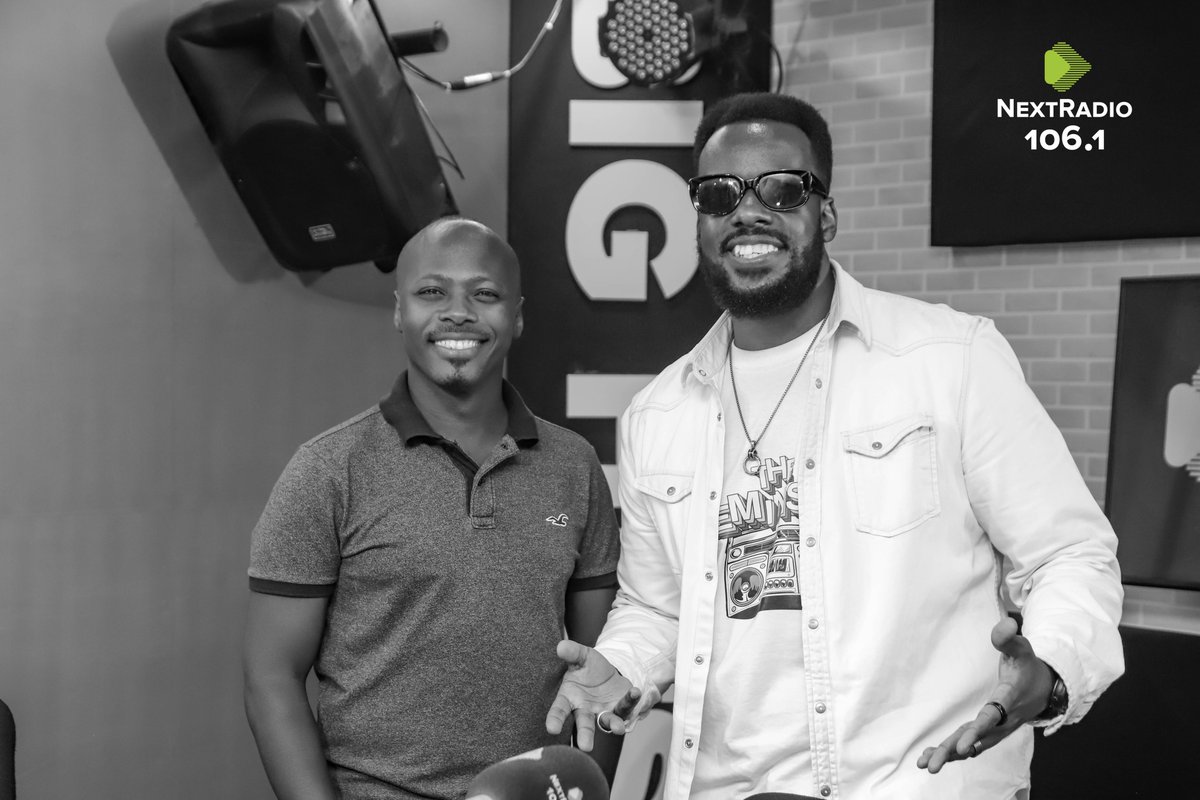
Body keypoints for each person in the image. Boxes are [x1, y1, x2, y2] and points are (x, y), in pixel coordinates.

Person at [545, 92, 1124, 799]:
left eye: (783, 189)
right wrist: (623, 664)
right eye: (720, 192)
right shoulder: (658, 412)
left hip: (916, 784)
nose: (748, 211)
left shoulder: (950, 359)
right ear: (698, 219)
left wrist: (1052, 669)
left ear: (826, 214)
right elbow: (658, 606)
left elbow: (1069, 554)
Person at [244, 217, 622, 799]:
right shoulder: (328, 469)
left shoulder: (574, 465)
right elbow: (271, 678)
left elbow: (605, 669)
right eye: (431, 292)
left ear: (518, 315)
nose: (458, 313)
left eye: (485, 294)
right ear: (400, 311)